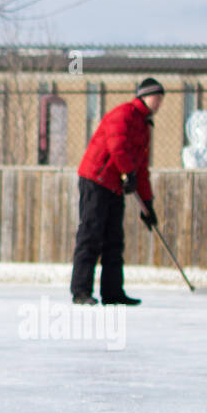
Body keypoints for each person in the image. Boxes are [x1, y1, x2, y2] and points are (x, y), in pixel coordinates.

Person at [70, 77, 164, 307]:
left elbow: (141, 168)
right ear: (144, 96)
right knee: (91, 235)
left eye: (161, 99)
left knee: (114, 239)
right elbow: (117, 146)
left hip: (115, 184)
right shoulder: (124, 114)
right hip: (96, 179)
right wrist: (128, 172)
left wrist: (147, 203)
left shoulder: (144, 125)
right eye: (156, 97)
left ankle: (112, 293)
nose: (159, 103)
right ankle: (81, 291)